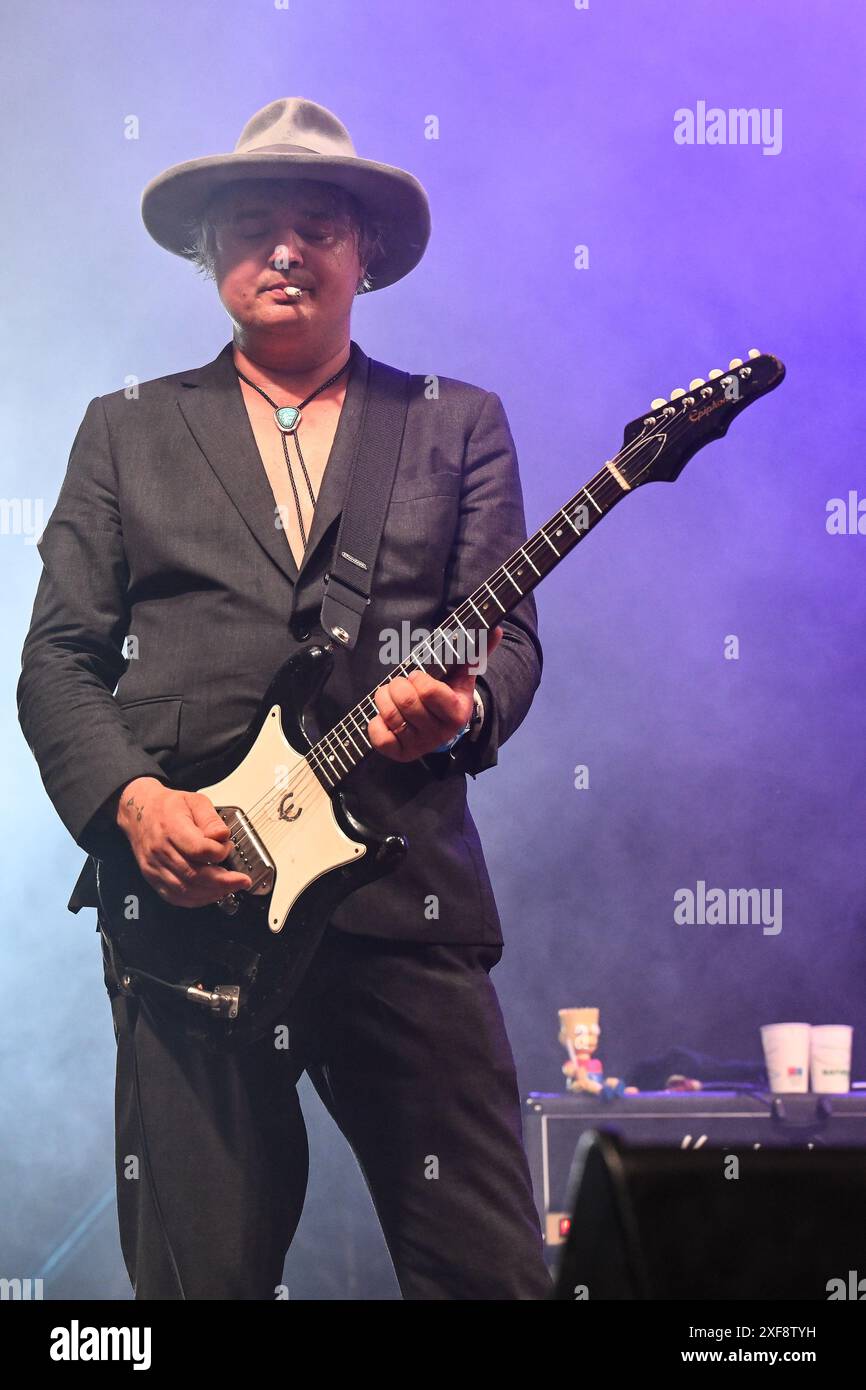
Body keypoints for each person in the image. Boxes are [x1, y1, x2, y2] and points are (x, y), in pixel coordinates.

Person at [17, 97, 551, 1300]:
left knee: (490, 1277)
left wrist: (463, 711)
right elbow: (57, 661)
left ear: (367, 255)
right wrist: (134, 802)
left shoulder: (453, 423)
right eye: (252, 225)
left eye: (318, 224)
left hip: (403, 906)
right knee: (195, 1287)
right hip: (188, 919)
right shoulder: (125, 429)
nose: (286, 249)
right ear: (210, 255)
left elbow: (505, 639)